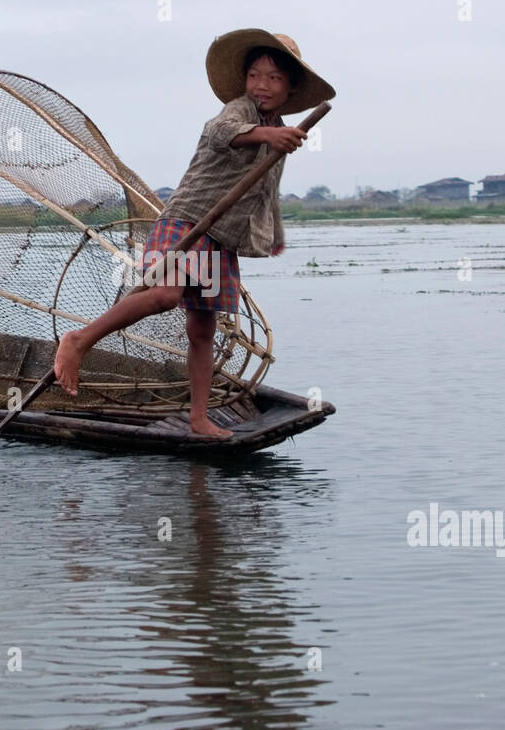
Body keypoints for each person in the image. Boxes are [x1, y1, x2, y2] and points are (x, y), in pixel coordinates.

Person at [53, 29, 335, 437]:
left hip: (222, 237)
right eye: (255, 75)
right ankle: (79, 339)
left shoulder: (282, 132)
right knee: (166, 294)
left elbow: (265, 187)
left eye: (274, 78)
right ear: (244, 81)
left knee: (202, 330)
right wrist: (267, 135)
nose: (262, 85)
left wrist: (275, 232)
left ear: (290, 87)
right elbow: (223, 133)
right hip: (187, 220)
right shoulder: (239, 112)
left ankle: (198, 418)